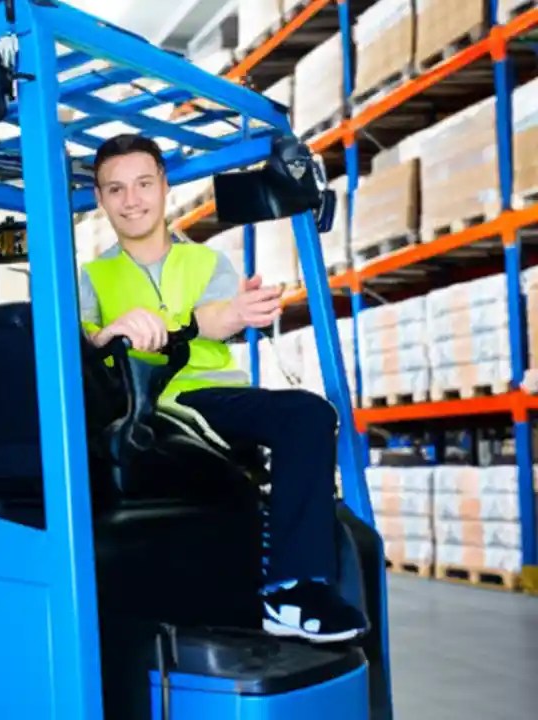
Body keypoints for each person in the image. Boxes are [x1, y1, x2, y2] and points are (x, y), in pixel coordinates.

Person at [78, 133, 367, 644]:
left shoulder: (209, 263)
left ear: (164, 187)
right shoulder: (90, 278)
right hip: (140, 407)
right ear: (100, 199)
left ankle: (293, 589)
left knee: (309, 414)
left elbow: (217, 322)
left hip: (210, 397)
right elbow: (81, 345)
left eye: (143, 184)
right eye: (116, 189)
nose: (132, 200)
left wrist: (217, 316)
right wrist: (110, 332)